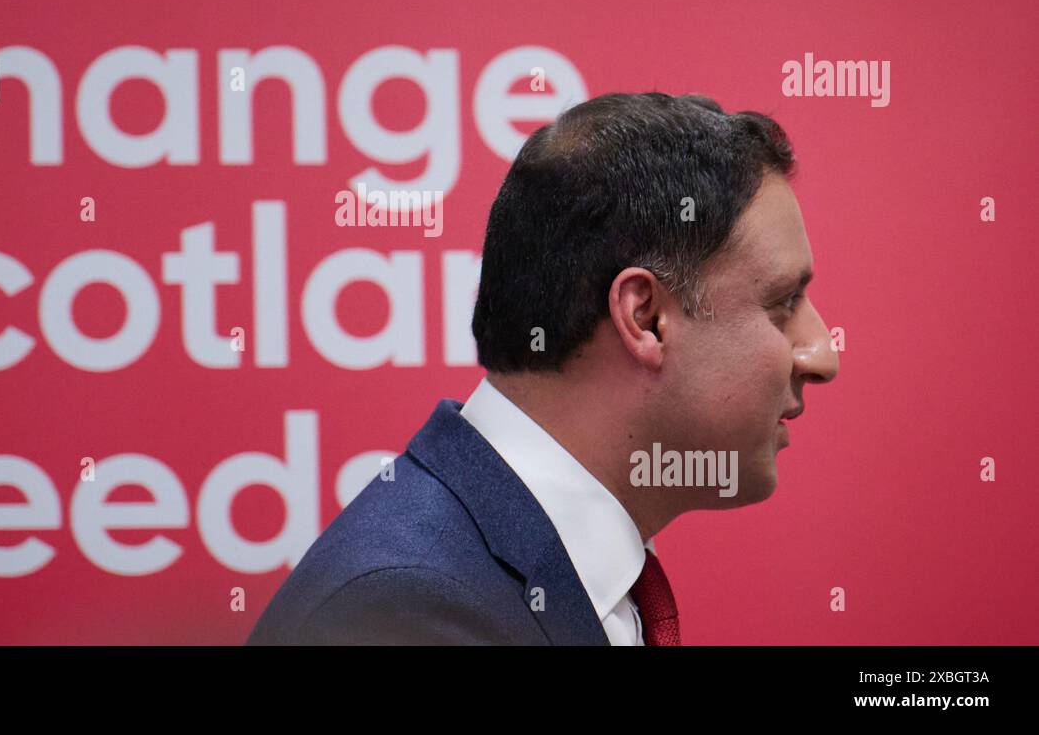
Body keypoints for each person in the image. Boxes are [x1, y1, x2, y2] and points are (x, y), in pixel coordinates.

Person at [246, 91, 840, 645]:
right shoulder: (410, 614)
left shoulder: (530, 574)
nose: (823, 355)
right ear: (647, 317)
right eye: (783, 303)